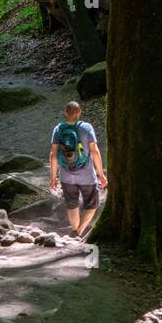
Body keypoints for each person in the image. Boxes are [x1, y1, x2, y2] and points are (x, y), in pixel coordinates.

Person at [49, 100, 107, 239]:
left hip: (66, 176)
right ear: (79, 112)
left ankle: (75, 231)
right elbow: (94, 151)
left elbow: (53, 155)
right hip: (87, 175)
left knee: (72, 205)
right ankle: (79, 232)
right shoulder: (86, 127)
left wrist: (53, 177)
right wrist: (101, 174)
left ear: (66, 113)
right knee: (92, 204)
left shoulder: (58, 129)